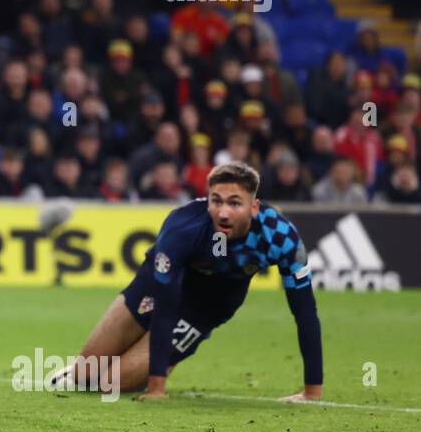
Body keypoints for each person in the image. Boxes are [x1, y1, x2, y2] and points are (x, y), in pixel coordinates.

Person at [48, 161, 322, 400]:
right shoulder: (182, 227)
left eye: (234, 203)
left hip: (206, 307)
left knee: (110, 384)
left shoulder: (281, 238)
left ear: (254, 206)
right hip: (157, 287)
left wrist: (312, 391)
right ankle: (90, 369)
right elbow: (165, 306)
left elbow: (305, 312)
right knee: (85, 376)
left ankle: (168, 357)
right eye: (216, 201)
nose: (223, 212)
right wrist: (156, 388)